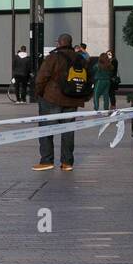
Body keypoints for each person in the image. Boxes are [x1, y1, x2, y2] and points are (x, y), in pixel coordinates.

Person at [34, 33, 90, 172]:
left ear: (59, 43)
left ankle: (47, 160)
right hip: (72, 99)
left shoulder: (53, 57)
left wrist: (39, 93)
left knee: (46, 128)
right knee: (68, 131)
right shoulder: (79, 58)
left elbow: (41, 77)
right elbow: (87, 78)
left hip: (52, 98)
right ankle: (67, 162)